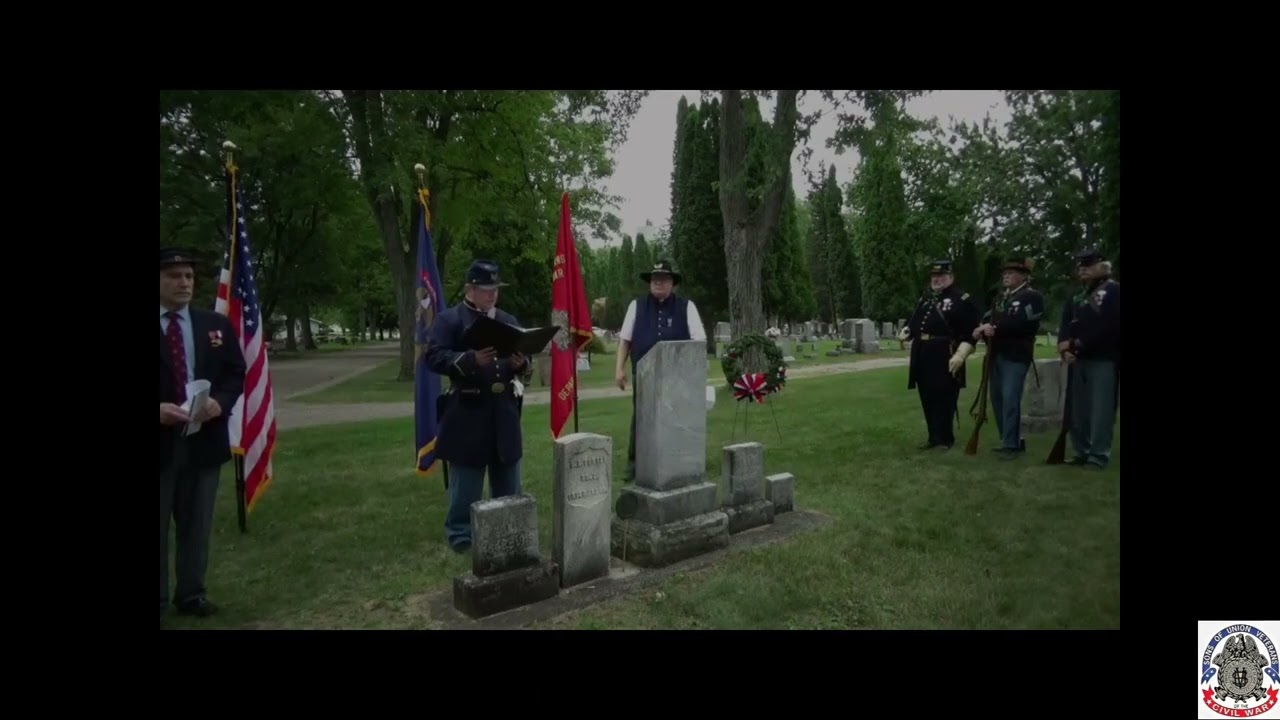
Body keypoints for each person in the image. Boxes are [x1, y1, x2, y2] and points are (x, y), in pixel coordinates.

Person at [159, 247, 246, 627]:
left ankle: (192, 594)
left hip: (203, 441)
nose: (184, 282)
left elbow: (234, 373)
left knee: (196, 525)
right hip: (161, 443)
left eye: (189, 276)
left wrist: (219, 403)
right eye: (174, 275)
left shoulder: (214, 324)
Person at [426, 259, 533, 552]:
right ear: (470, 289)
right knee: (467, 485)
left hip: (504, 410)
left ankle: (508, 528)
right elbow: (433, 357)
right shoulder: (450, 320)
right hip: (468, 410)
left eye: (495, 289)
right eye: (486, 289)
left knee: (508, 478)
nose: (492, 294)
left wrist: (521, 363)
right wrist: (470, 360)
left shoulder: (508, 320)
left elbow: (526, 364)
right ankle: (461, 536)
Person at [614, 259, 706, 481]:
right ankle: (635, 466)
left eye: (663, 279)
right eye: (655, 279)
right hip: (644, 376)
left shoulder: (687, 307)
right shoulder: (636, 306)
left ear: (672, 282)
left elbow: (698, 341)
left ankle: (678, 462)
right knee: (642, 419)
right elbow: (625, 341)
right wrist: (619, 369)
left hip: (677, 377)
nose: (658, 283)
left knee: (676, 419)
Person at [899, 259, 980, 450]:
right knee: (927, 396)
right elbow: (915, 323)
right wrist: (908, 331)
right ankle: (933, 437)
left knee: (944, 397)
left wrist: (962, 353)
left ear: (951, 277)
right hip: (923, 353)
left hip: (945, 353)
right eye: (934, 276)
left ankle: (945, 438)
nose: (936, 279)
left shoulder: (961, 299)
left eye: (941, 276)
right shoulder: (927, 299)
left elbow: (971, 331)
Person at [973, 258, 1045, 460]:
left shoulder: (1032, 297)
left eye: (1011, 272)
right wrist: (981, 327)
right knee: (997, 399)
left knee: (1011, 399)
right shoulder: (1000, 299)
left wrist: (993, 328)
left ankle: (1011, 446)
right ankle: (1008, 439)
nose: (1006, 275)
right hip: (995, 355)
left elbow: (1025, 323)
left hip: (1015, 355)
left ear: (1024, 276)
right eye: (1004, 273)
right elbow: (987, 318)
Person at [1057, 247, 1121, 470]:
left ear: (1103, 267)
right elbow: (1065, 325)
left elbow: (1111, 326)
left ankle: (1098, 454)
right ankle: (1081, 451)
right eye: (1081, 266)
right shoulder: (1076, 295)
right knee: (1078, 410)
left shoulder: (1114, 291)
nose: (1083, 269)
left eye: (1089, 265)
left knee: (1101, 410)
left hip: (1103, 358)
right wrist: (1064, 348)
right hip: (1077, 359)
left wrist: (1076, 344)